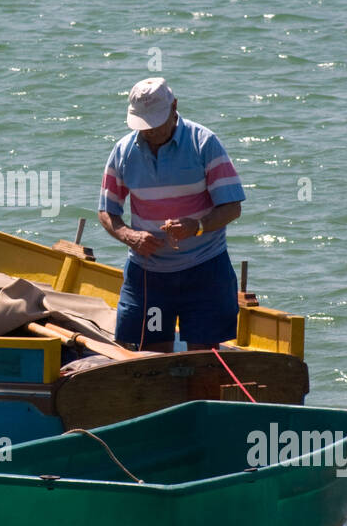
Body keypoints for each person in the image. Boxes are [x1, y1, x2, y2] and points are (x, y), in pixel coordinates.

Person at [97, 78, 245, 351]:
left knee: (204, 361)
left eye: (155, 121)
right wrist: (130, 236)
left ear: (174, 107)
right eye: (143, 123)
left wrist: (197, 225)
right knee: (147, 360)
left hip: (205, 271)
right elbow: (108, 211)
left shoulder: (205, 143)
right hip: (148, 275)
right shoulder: (123, 151)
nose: (149, 130)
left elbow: (232, 206)